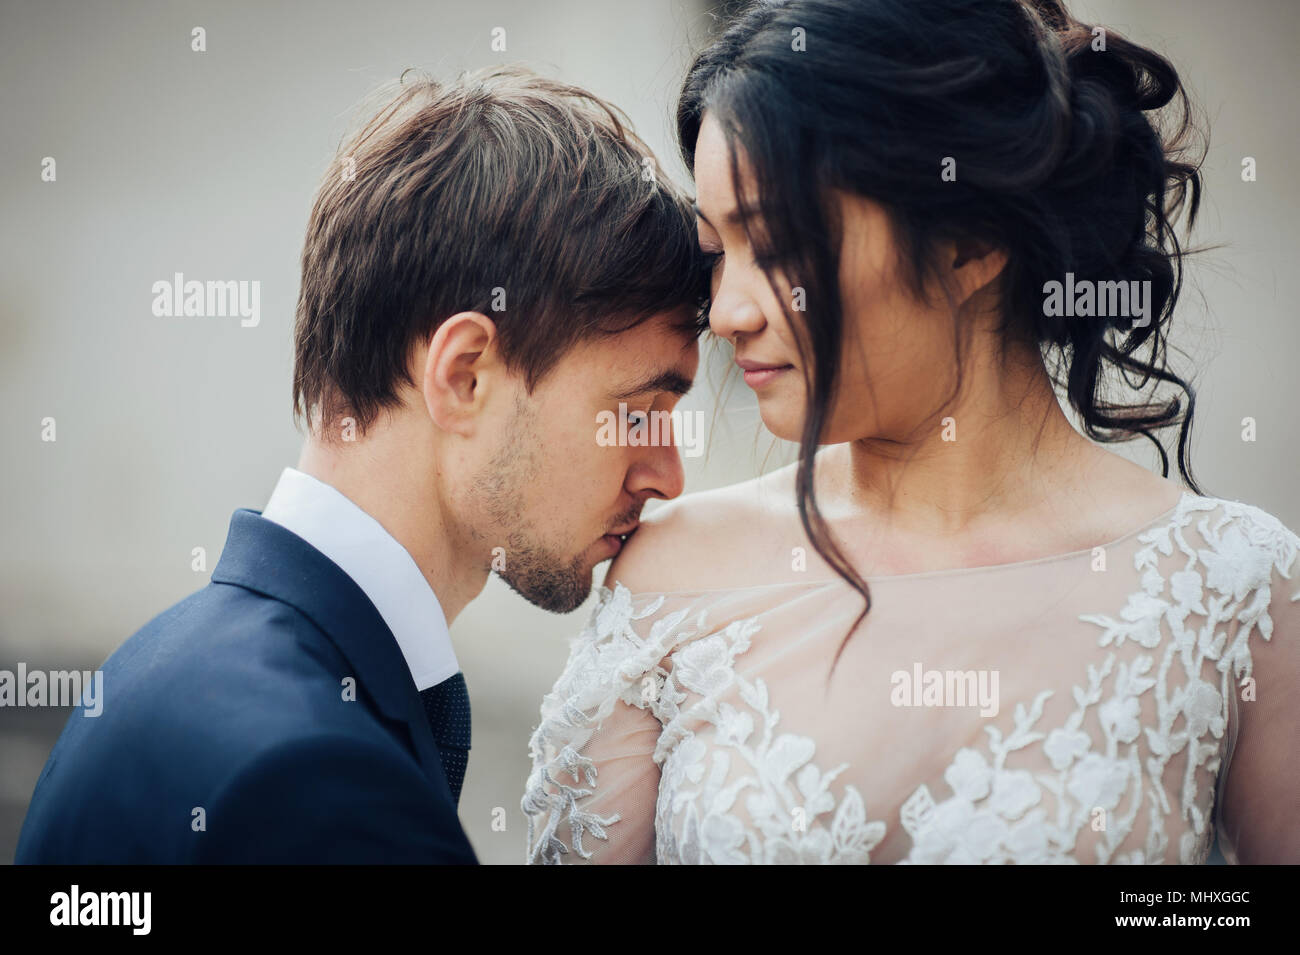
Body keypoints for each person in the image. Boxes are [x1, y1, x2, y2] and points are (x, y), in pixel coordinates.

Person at [523, 0, 1300, 864]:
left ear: (969, 240)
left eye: (776, 245)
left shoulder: (1233, 592)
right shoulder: (668, 580)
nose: (728, 312)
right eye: (718, 253)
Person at [16, 65, 706, 864]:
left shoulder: (152, 664)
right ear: (464, 376)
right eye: (640, 411)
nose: (667, 475)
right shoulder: (317, 786)